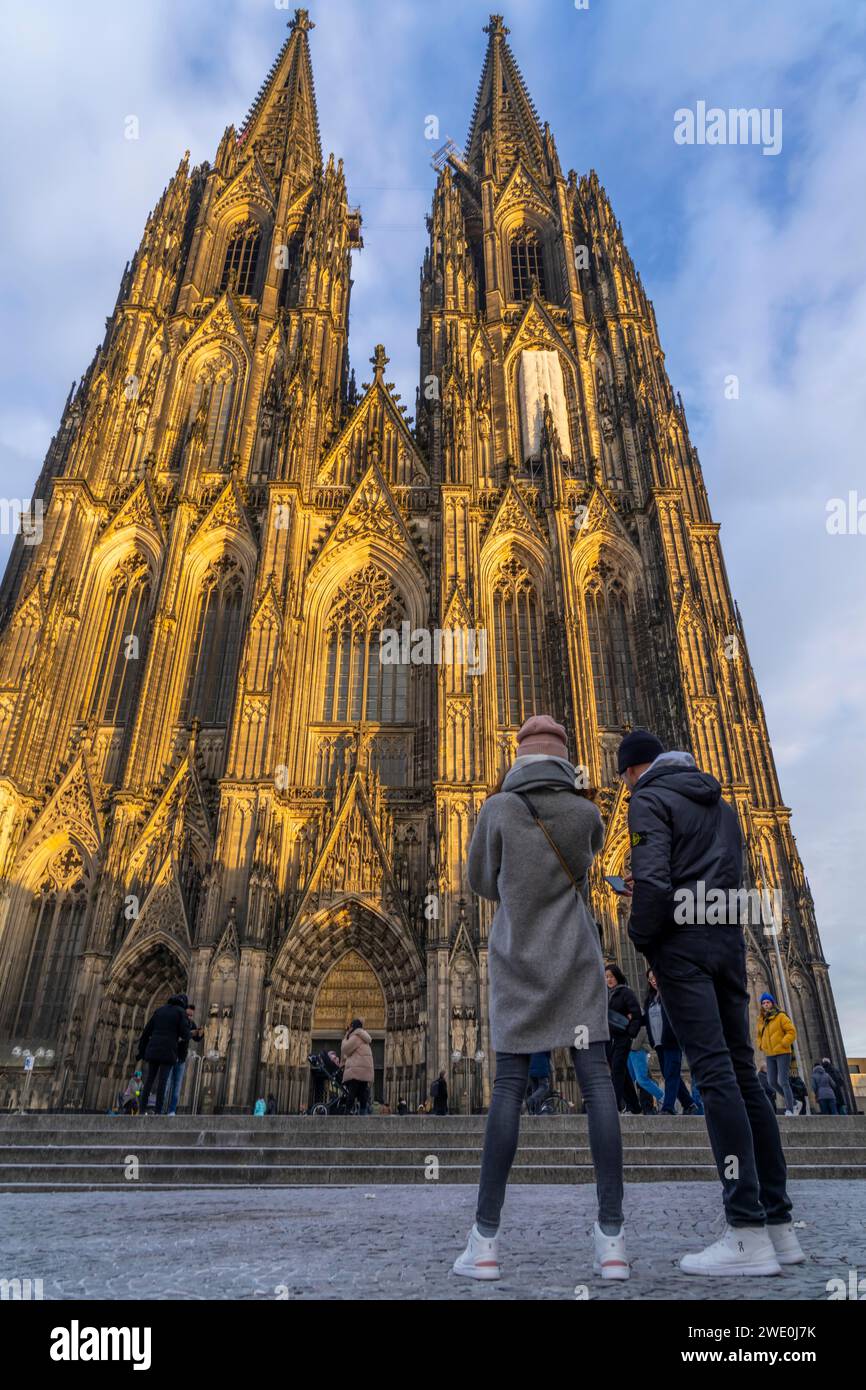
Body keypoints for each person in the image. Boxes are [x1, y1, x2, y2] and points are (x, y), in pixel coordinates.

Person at [620, 728, 802, 1276]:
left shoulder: (648, 799)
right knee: (744, 1076)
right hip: (725, 939)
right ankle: (778, 1226)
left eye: (624, 776)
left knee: (715, 1077)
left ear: (634, 770)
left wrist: (645, 936)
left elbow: (653, 882)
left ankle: (744, 1231)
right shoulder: (719, 803)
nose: (625, 786)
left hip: (684, 948)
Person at [454, 715, 627, 1282]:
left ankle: (484, 1242)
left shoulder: (499, 809)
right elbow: (590, 863)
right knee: (598, 1084)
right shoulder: (585, 812)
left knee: (507, 1088)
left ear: (521, 758)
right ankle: (611, 1241)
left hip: (519, 958)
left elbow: (480, 880)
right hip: (575, 956)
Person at [643, 969, 699, 1115]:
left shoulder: (672, 994)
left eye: (655, 976)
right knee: (670, 1074)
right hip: (658, 1043)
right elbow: (647, 1020)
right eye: (650, 979)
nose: (653, 980)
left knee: (671, 1073)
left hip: (672, 1041)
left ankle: (668, 1107)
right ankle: (689, 1104)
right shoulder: (650, 999)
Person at [137, 993, 192, 1116]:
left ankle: (142, 1109)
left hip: (153, 1049)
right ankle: (158, 1111)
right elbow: (185, 1035)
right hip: (168, 1051)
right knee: (163, 1081)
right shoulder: (180, 1012)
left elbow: (146, 1032)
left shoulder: (159, 1010)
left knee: (149, 1080)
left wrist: (142, 1051)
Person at [604, 965, 642, 1114]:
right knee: (621, 1071)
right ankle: (635, 1106)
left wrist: (630, 1033)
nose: (609, 979)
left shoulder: (626, 992)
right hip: (609, 1038)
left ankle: (614, 1106)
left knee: (617, 1069)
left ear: (617, 976)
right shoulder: (606, 994)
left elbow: (637, 1014)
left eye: (611, 976)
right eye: (606, 977)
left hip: (622, 1037)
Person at [755, 993, 797, 1115]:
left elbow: (791, 1031)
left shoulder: (781, 1016)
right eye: (763, 1003)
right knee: (772, 1081)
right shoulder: (761, 1020)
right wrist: (761, 1045)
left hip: (783, 1052)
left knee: (783, 1080)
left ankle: (790, 1109)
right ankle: (794, 1102)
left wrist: (783, 1043)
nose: (765, 1005)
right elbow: (759, 1035)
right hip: (770, 1054)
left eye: (767, 1002)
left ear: (772, 1003)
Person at [163, 1004, 204, 1115]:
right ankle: (161, 1110)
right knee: (166, 1085)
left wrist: (200, 1034)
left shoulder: (191, 1024)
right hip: (171, 1057)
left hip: (181, 1059)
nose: (190, 1017)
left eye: (191, 1015)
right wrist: (189, 1034)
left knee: (177, 1087)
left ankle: (171, 1111)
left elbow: (196, 1038)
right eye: (188, 1014)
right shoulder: (176, 1022)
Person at [341, 1018, 374, 1114]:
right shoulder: (364, 1037)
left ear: (353, 1027)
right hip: (365, 1071)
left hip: (356, 1070)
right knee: (363, 1093)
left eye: (350, 1026)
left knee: (352, 1092)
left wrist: (345, 1036)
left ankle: (347, 1113)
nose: (349, 1028)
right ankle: (363, 1114)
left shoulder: (356, 1037)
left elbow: (345, 1049)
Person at [627, 1030, 664, 1114]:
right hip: (629, 1049)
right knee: (629, 1079)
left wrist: (633, 1046)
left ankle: (663, 1097)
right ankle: (632, 1107)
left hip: (638, 1049)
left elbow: (642, 1028)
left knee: (642, 1079)